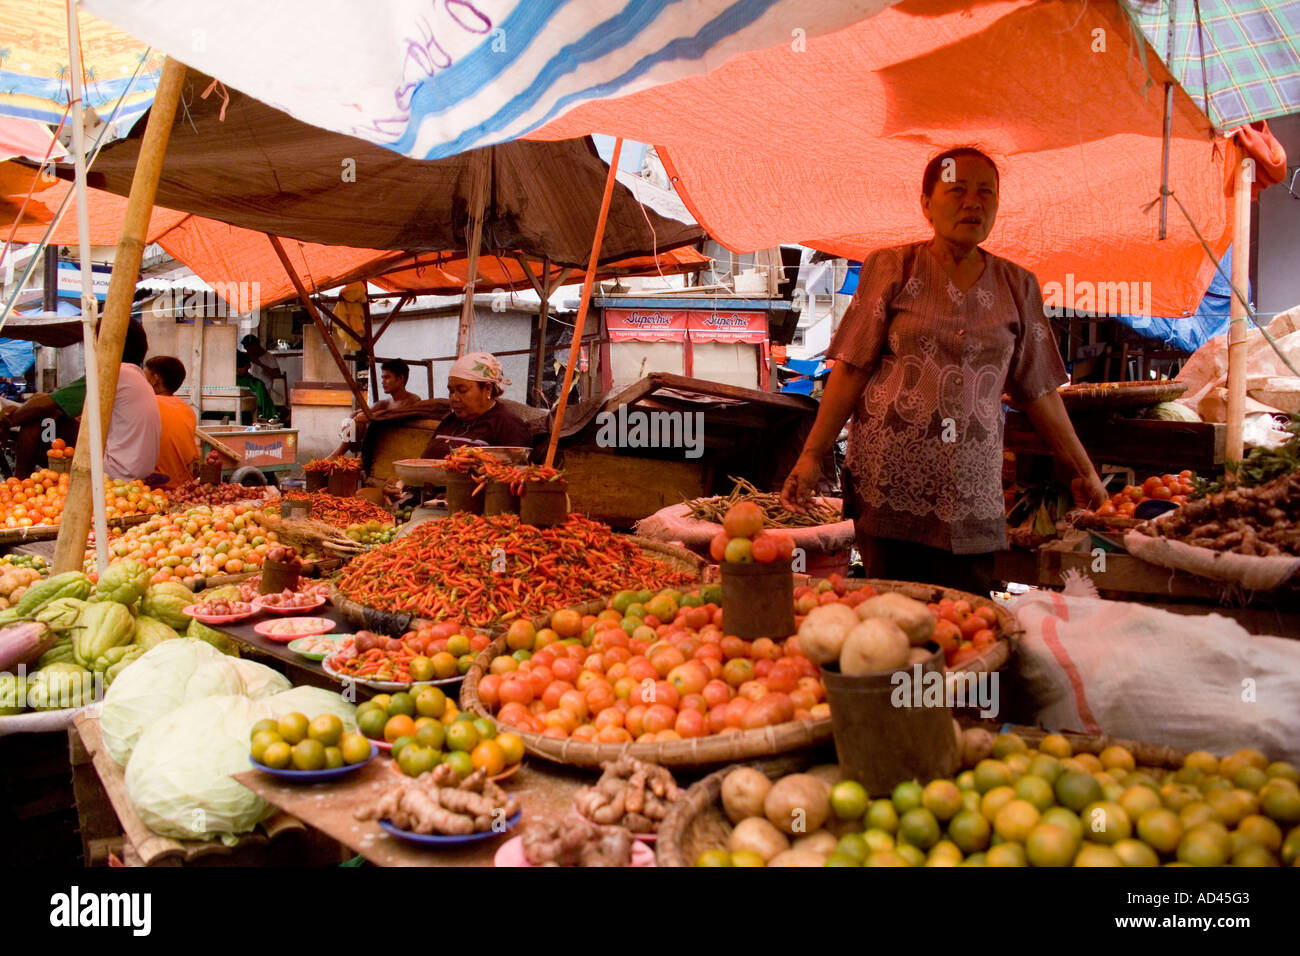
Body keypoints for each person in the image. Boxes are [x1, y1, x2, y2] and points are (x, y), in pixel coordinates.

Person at [780, 147, 1105, 595]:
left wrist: (1082, 469)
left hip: (973, 492)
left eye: (986, 193)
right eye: (957, 191)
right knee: (890, 615)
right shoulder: (893, 267)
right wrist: (812, 454)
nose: (973, 202)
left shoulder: (1018, 284)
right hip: (889, 482)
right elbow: (852, 367)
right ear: (927, 204)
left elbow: (1039, 389)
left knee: (966, 618)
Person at [0, 320, 161, 480]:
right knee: (41, 412)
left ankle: (19, 483)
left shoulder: (114, 373)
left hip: (116, 471)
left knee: (38, 420)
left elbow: (45, 405)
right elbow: (48, 401)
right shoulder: (136, 376)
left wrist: (8, 420)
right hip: (133, 468)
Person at [421, 352, 532, 458]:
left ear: (487, 389)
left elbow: (513, 470)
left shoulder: (508, 426)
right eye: (451, 391)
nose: (454, 398)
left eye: (462, 390)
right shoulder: (449, 421)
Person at [330, 358, 421, 458]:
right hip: (373, 443)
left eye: (387, 377)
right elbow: (356, 414)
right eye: (382, 378)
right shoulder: (385, 403)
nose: (383, 382)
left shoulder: (412, 400)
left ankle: (342, 456)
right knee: (354, 421)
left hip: (395, 443)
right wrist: (349, 422)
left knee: (369, 422)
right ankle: (339, 454)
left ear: (400, 379)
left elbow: (392, 416)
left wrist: (367, 417)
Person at [144, 356, 199, 488]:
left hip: (155, 489)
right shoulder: (187, 410)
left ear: (156, 379)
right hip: (185, 487)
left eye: (145, 375)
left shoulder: (148, 404)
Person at [235, 351, 277, 423]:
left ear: (249, 365)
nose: (240, 368)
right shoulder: (256, 384)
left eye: (241, 365)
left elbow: (266, 407)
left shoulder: (256, 384)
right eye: (239, 365)